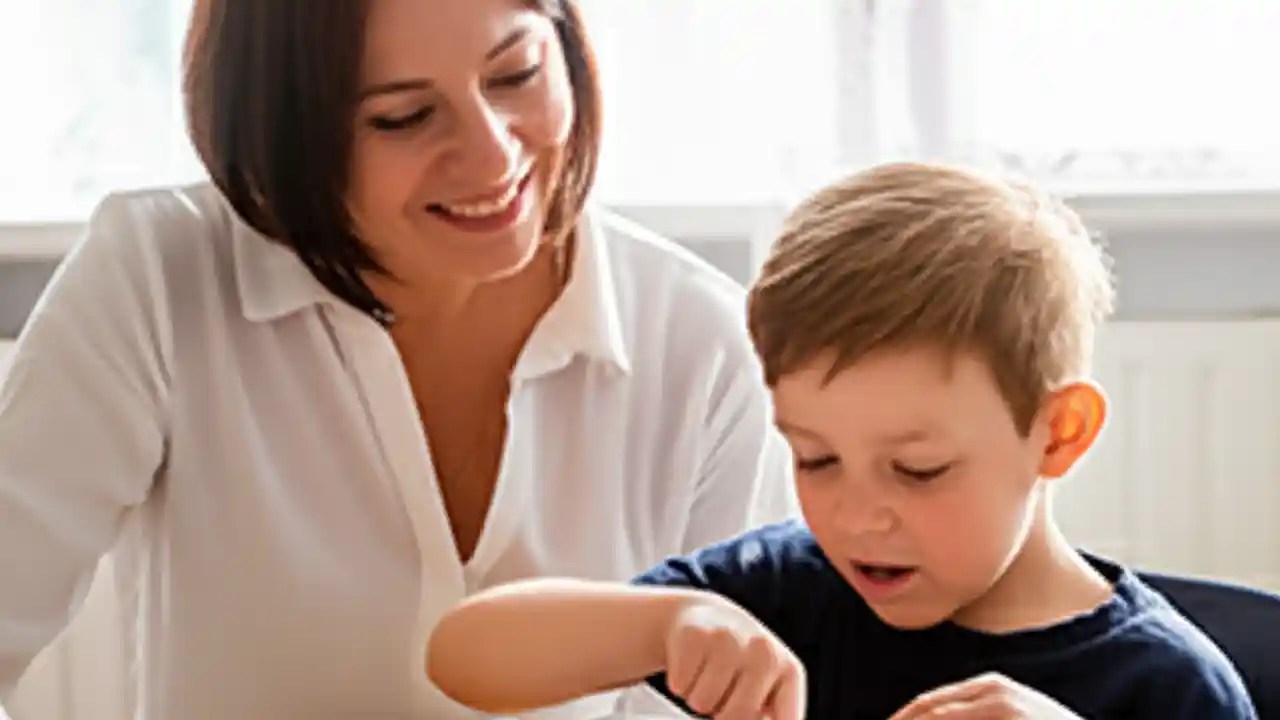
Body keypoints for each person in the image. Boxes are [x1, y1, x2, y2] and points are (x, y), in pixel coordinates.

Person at [0, 1, 793, 717]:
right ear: (283, 131)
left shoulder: (700, 341)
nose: (491, 158)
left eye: (516, 73)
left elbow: (731, 692)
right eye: (405, 117)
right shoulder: (158, 280)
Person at [426, 162, 1259, 719]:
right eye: (815, 458)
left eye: (916, 470)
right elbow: (464, 655)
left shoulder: (1166, 687)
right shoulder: (792, 591)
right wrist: (669, 620)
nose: (859, 517)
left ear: (1057, 434)